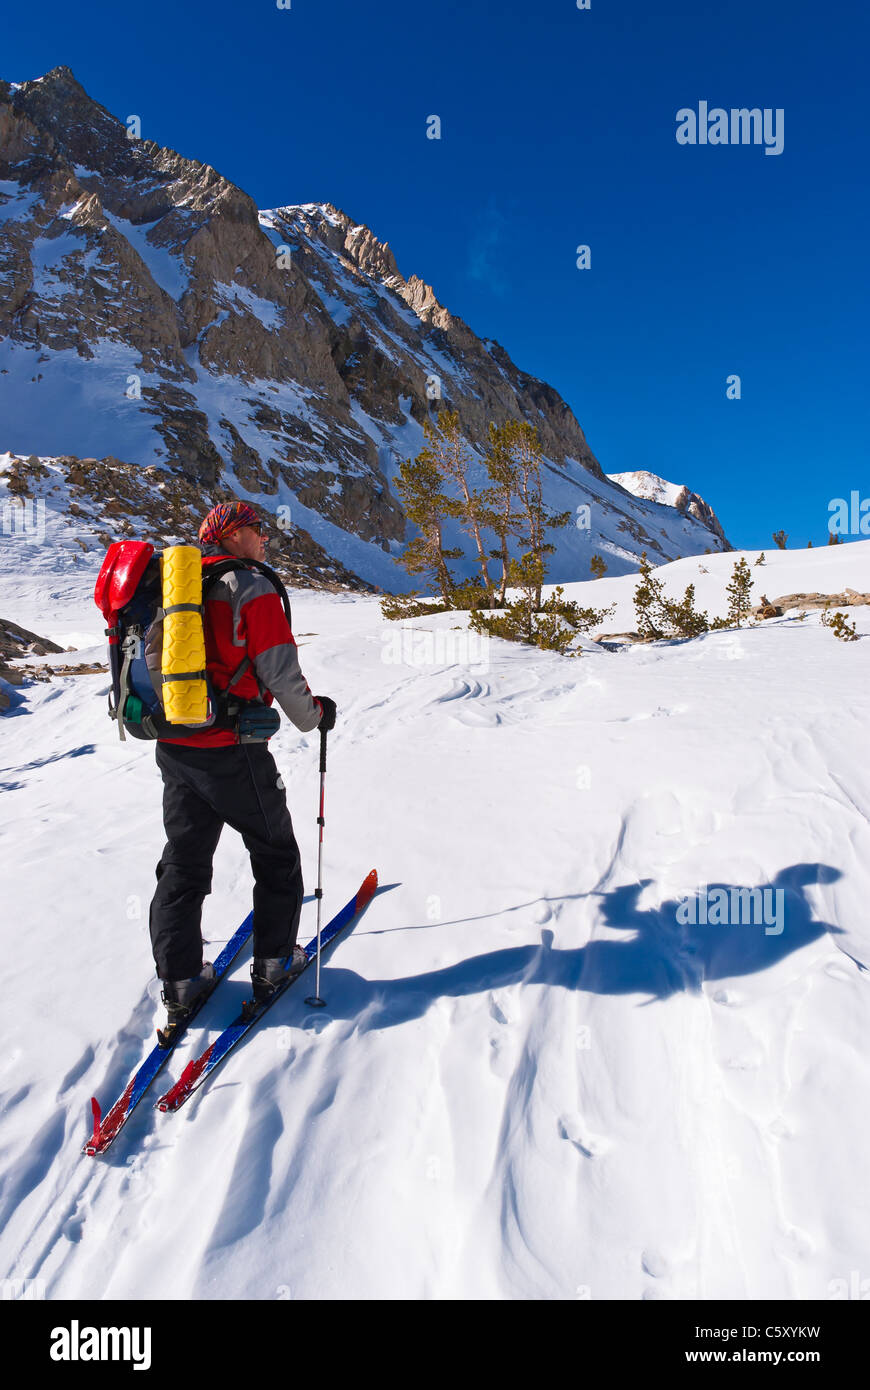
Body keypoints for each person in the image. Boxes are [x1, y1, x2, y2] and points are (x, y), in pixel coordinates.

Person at [148, 500, 336, 1031]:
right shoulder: (248, 587)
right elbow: (280, 667)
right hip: (232, 749)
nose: (265, 540)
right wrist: (314, 716)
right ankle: (275, 964)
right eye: (258, 531)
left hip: (176, 746)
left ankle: (181, 978)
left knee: (183, 862)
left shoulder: (174, 585)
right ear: (232, 534)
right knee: (276, 853)